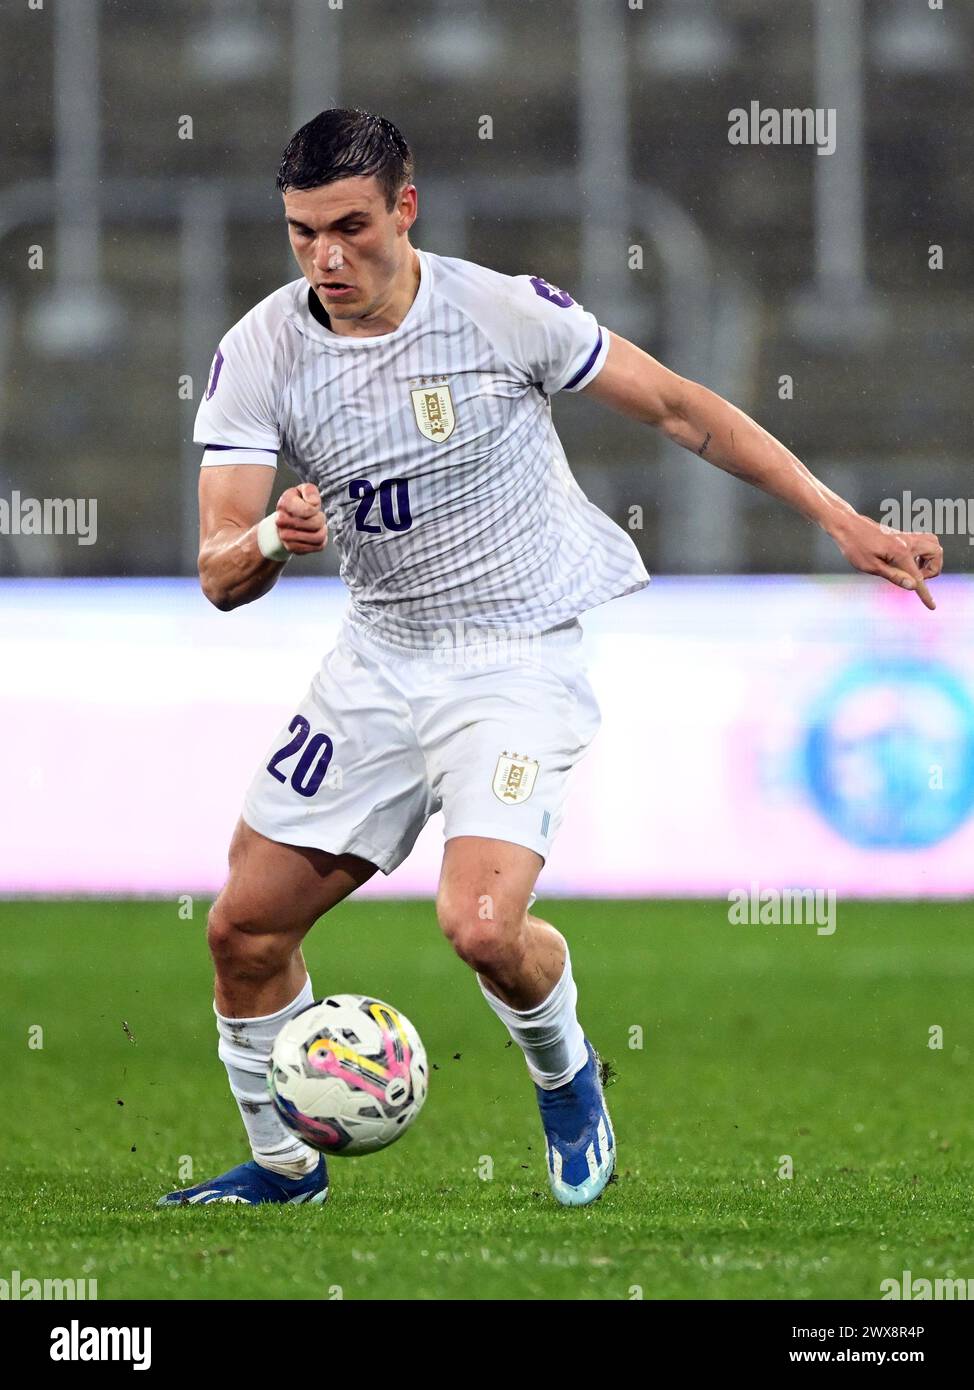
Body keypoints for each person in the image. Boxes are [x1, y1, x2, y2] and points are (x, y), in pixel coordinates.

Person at [158, 108, 942, 1209]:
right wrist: (268, 543)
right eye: (301, 234)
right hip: (379, 658)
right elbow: (216, 571)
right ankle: (287, 1169)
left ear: (404, 208)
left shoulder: (496, 310)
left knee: (479, 928)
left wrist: (837, 520)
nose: (326, 258)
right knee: (242, 930)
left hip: (513, 659)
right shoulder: (261, 351)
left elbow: (680, 410)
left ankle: (566, 1073)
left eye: (349, 227)